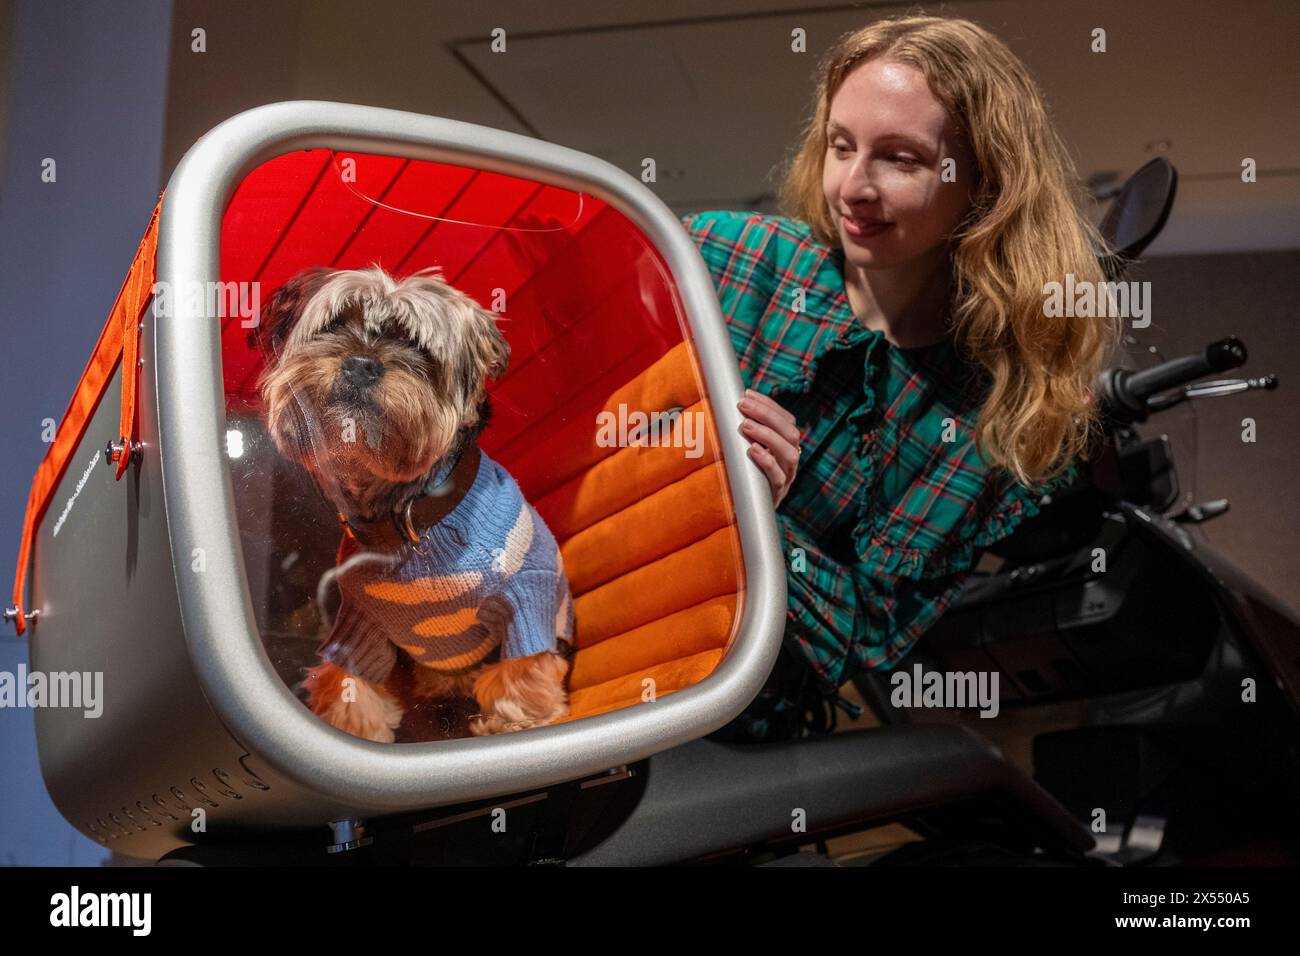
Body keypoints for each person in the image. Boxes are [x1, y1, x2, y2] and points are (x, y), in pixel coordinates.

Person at [682, 14, 1120, 743]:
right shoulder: (723, 258)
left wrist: (760, 519)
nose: (853, 186)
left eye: (901, 159)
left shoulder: (996, 415)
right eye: (840, 146)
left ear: (985, 185)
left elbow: (862, 633)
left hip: (728, 727)